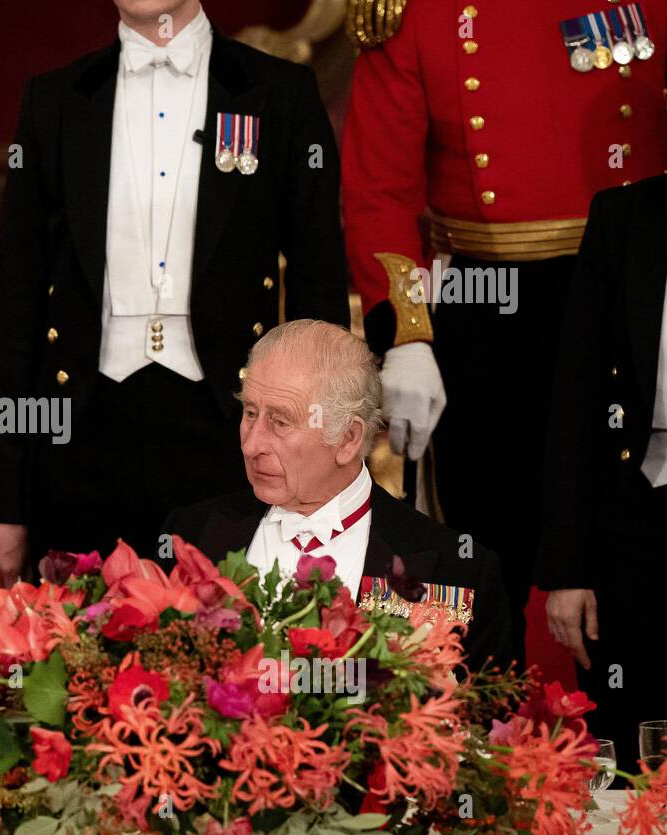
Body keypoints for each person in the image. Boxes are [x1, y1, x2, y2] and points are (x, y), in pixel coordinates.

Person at [342, 0, 667, 666]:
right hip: (487, 309)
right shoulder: (416, 12)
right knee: (478, 560)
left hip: (633, 297)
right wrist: (407, 334)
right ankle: (476, 751)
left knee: (629, 541)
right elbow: (379, 191)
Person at [0, 0, 350, 585]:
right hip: (79, 436)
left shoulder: (279, 92)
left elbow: (320, 294)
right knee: (83, 658)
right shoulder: (54, 100)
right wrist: (6, 505)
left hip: (232, 431)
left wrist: (318, 473)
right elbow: (18, 308)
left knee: (230, 657)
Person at [164, 320, 514, 673]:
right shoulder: (190, 535)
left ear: (347, 439)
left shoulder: (459, 572)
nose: (252, 445)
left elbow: (489, 721)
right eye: (250, 413)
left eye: (281, 422)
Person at [537, 175, 667, 769]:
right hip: (631, 513)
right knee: (628, 745)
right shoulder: (625, 215)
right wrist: (567, 569)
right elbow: (576, 395)